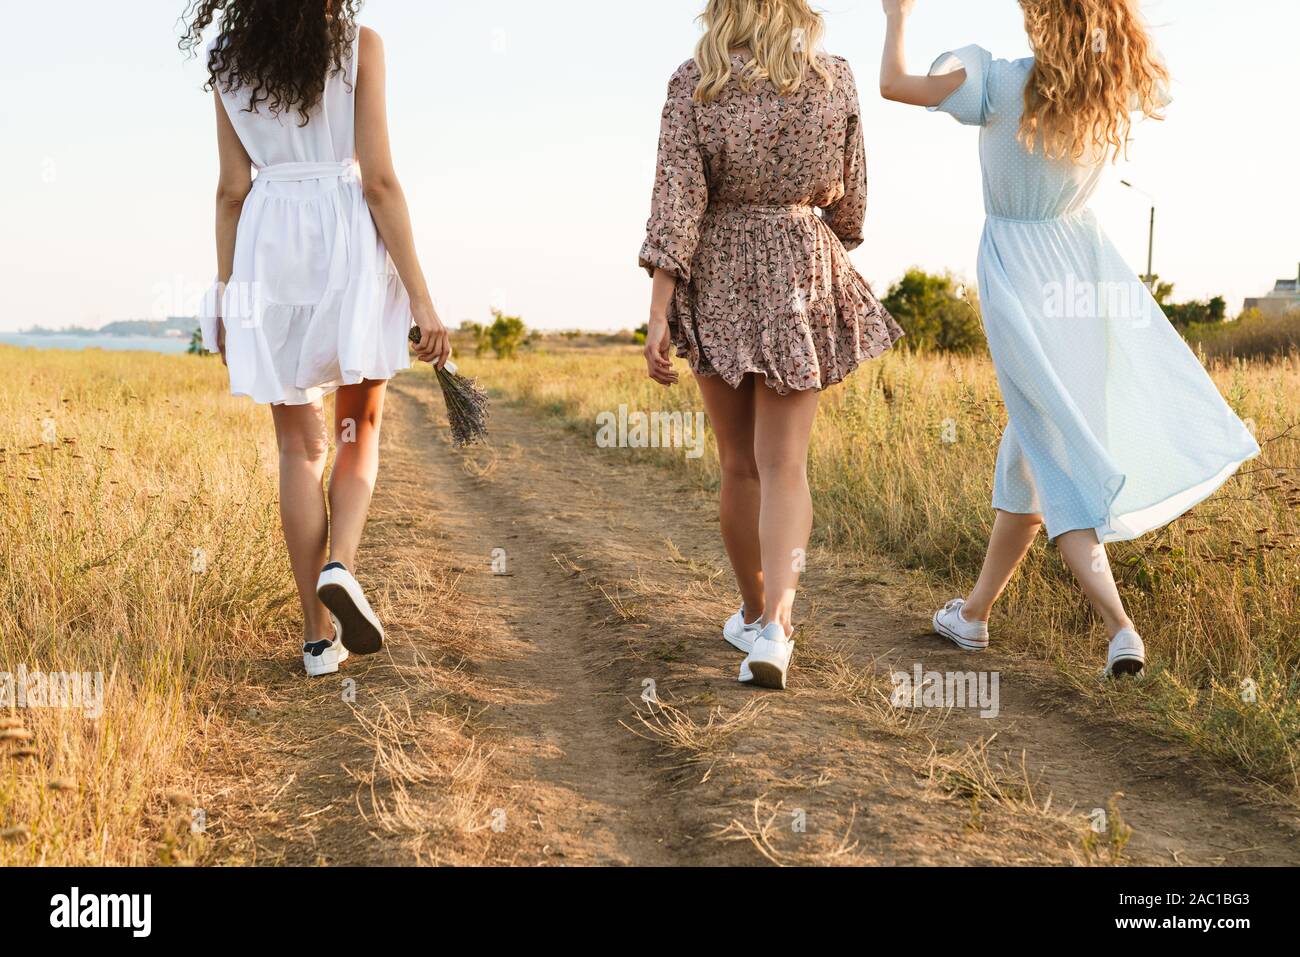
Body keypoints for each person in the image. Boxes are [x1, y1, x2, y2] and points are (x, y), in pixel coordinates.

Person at [877, 0, 1259, 675]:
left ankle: (1121, 629)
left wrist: (897, 16)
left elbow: (894, 85)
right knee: (1028, 456)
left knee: (1053, 465)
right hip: (1084, 285)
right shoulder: (1106, 90)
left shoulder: (997, 80)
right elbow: (1151, 73)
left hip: (1021, 286)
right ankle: (974, 614)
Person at [182, 0, 451, 677]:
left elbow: (231, 189)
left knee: (297, 447)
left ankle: (315, 637)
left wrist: (227, 293)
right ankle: (342, 565)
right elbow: (380, 182)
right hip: (345, 237)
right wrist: (421, 297)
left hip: (268, 245)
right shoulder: (359, 45)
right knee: (359, 426)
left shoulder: (228, 59)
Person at [641, 0, 903, 690]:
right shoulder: (834, 77)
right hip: (800, 262)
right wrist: (809, 242)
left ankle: (756, 613)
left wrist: (659, 310)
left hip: (719, 265)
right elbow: (851, 203)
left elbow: (677, 202)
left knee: (739, 465)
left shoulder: (695, 81)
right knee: (785, 464)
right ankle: (779, 628)